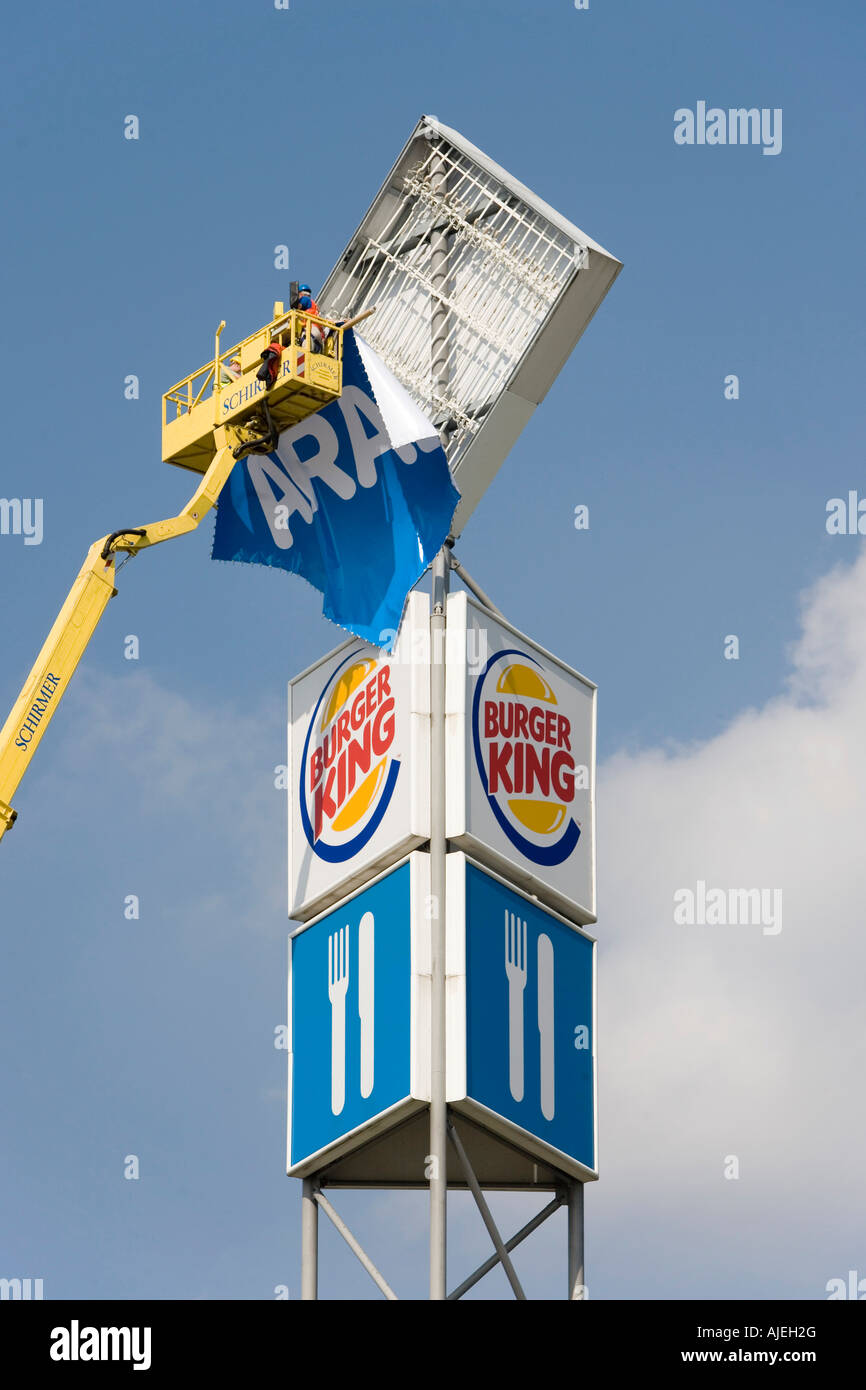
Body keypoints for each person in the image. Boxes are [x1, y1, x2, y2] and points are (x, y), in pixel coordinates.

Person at [293, 283, 325, 353]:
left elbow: (298, 305)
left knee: (304, 354)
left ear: (301, 294)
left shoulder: (305, 299)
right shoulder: (314, 307)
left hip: (310, 331)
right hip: (319, 337)